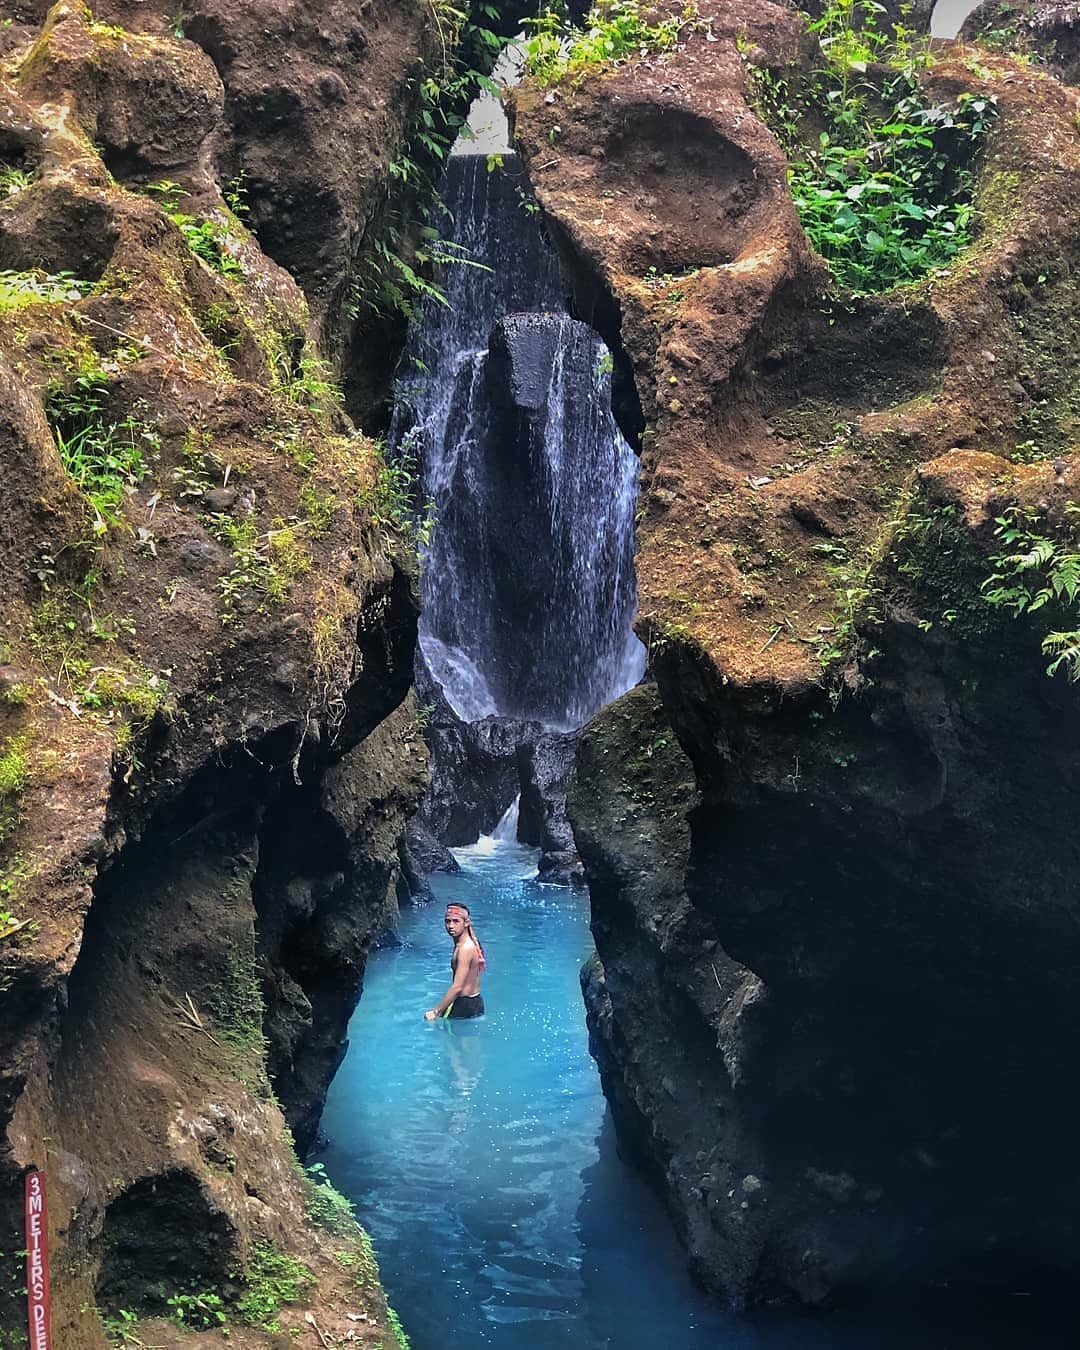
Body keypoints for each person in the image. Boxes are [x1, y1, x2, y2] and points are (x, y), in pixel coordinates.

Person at [424, 902, 485, 1020]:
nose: (451, 926)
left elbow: (457, 987)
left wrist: (435, 1012)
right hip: (474, 1002)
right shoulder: (464, 944)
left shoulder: (464, 949)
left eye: (456, 921)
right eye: (448, 921)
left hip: (465, 1005)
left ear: (466, 923)